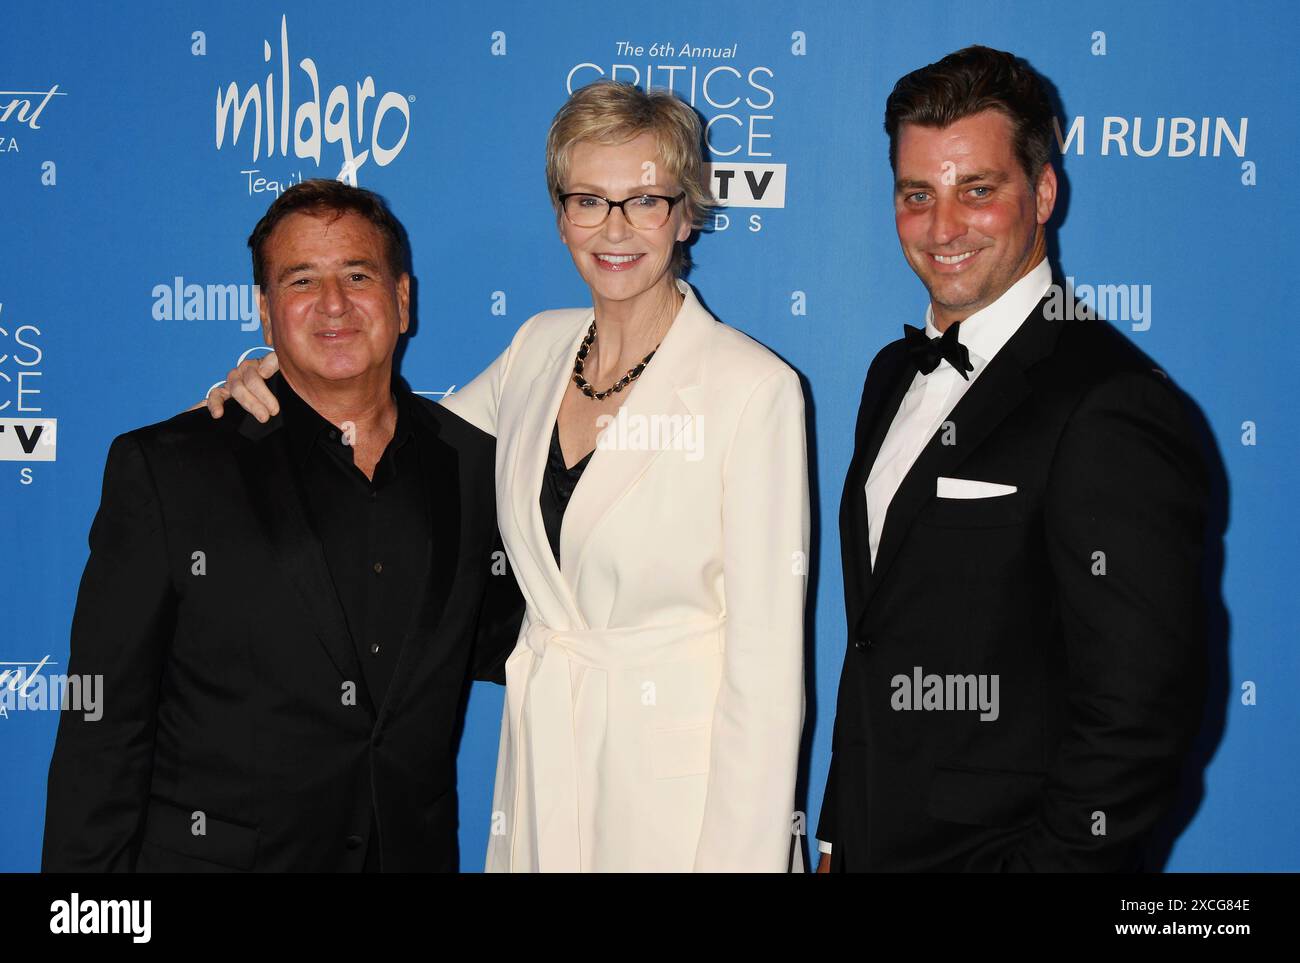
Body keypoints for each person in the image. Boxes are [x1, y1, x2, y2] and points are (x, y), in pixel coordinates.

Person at [209, 80, 810, 872]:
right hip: (542, 776)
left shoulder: (752, 389)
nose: (616, 227)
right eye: (589, 199)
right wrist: (270, 383)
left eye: (646, 200)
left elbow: (766, 684)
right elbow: (388, 436)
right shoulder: (538, 349)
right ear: (561, 216)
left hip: (679, 804)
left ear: (686, 211)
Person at [44, 180, 521, 872]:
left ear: (403, 299)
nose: (333, 303)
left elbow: (532, 635)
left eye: (358, 275)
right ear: (266, 315)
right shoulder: (169, 469)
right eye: (302, 280)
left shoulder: (475, 467)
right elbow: (101, 727)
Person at [816, 46, 1208, 872]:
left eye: (977, 190)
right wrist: (835, 833)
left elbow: (1141, 716)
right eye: (917, 194)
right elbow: (877, 643)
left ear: (1045, 193)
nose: (942, 227)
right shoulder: (893, 374)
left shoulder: (1111, 401)